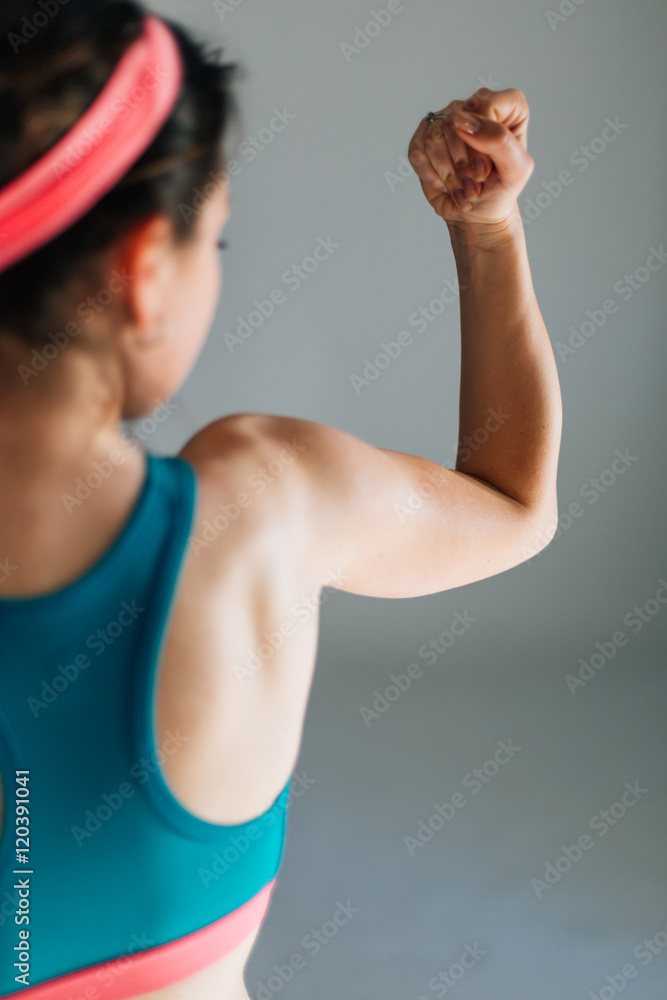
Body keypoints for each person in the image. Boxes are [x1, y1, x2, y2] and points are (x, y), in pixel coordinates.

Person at [0, 2, 562, 998]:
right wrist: (487, 232)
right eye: (210, 243)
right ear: (141, 274)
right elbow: (510, 501)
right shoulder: (261, 507)